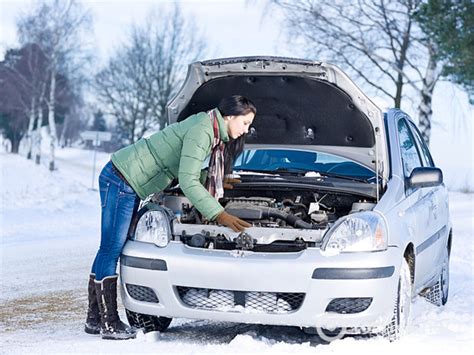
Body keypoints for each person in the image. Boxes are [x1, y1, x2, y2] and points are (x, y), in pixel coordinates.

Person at [85, 95, 256, 340]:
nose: (246, 130)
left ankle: (94, 319)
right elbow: (187, 180)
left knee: (108, 248)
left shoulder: (206, 125)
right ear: (229, 116)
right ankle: (109, 322)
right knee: (111, 249)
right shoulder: (203, 131)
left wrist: (214, 176)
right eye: (245, 123)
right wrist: (218, 213)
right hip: (121, 178)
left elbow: (185, 164)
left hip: (126, 180)